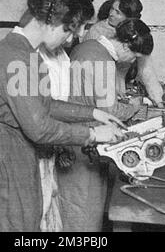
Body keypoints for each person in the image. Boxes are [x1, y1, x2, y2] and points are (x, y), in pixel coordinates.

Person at [0, 0, 125, 232]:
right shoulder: (14, 56)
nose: (70, 39)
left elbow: (46, 104)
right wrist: (93, 134)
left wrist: (95, 113)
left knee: (22, 220)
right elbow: (40, 127)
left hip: (14, 147)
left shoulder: (29, 53)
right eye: (68, 30)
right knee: (2, 223)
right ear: (51, 22)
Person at [58, 18, 155, 232]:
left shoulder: (86, 46)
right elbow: (109, 110)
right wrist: (134, 106)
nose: (131, 62)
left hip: (73, 134)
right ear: (126, 46)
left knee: (69, 208)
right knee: (84, 214)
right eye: (134, 56)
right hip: (86, 141)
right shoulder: (103, 60)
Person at [18, 0, 95, 232]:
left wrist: (92, 116)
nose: (79, 34)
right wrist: (87, 133)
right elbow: (40, 115)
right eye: (75, 23)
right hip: (33, 148)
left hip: (50, 143)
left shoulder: (58, 46)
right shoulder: (31, 49)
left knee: (49, 208)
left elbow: (53, 101)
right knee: (37, 214)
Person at [83, 0, 164, 107]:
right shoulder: (97, 31)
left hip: (120, 81)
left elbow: (146, 69)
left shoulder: (133, 31)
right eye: (112, 9)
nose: (111, 14)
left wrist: (158, 99)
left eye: (118, 12)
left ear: (128, 18)